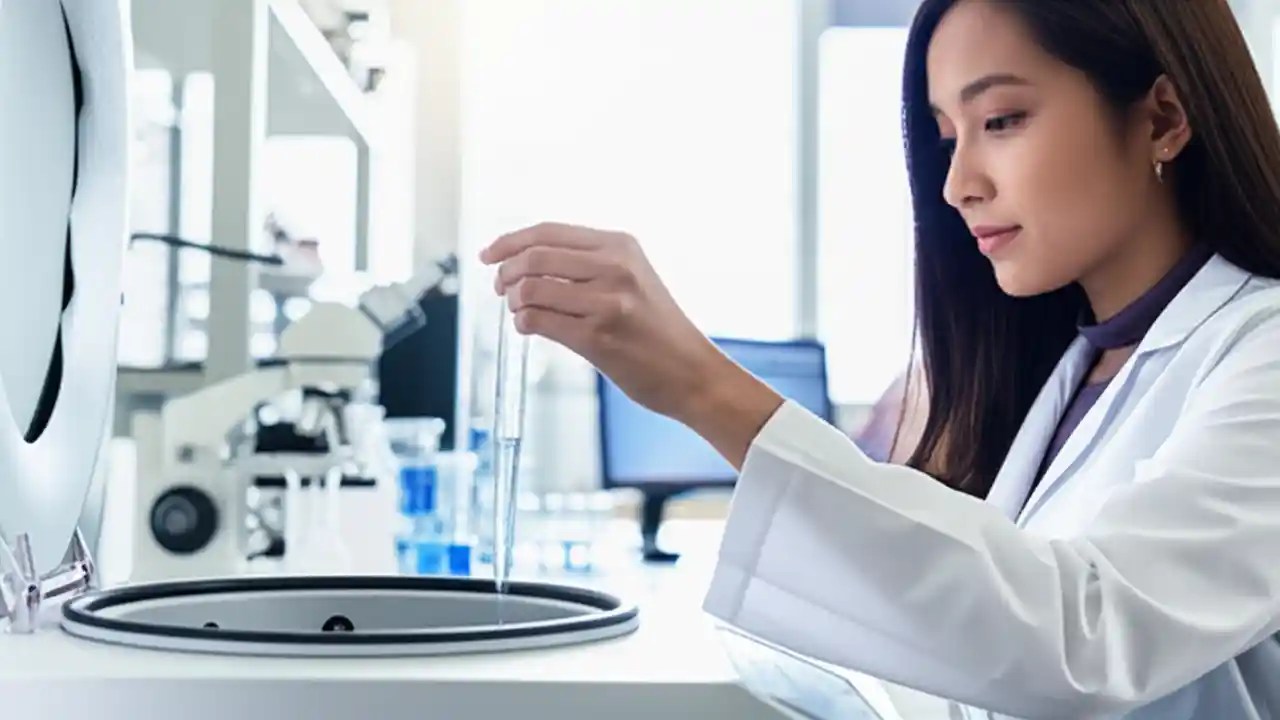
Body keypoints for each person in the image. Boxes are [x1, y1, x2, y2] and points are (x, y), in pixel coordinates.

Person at [480, 0, 1280, 717]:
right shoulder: (1073, 369)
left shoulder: (1262, 351)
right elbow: (978, 639)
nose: (958, 183)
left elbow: (1085, 638)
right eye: (946, 138)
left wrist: (701, 385)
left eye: (1001, 119)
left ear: (1163, 118)